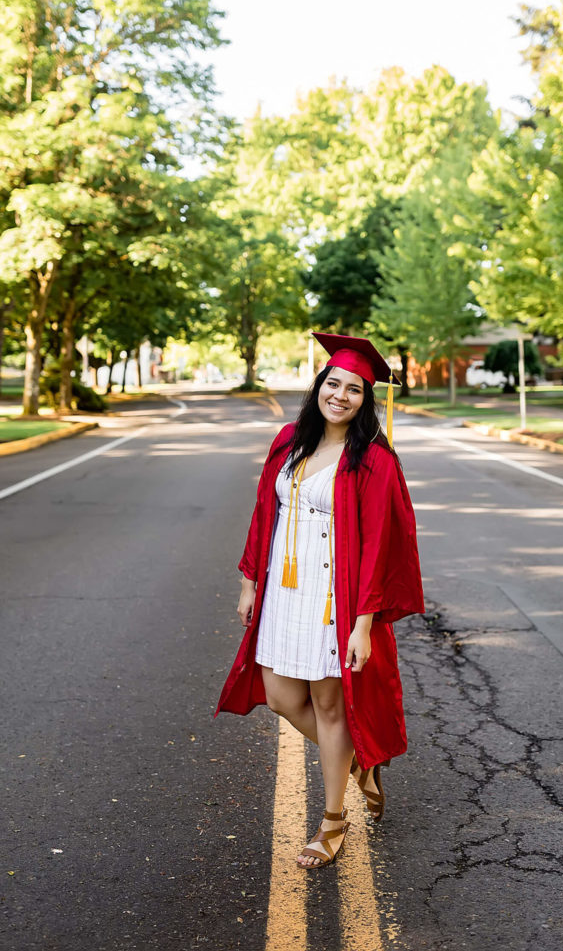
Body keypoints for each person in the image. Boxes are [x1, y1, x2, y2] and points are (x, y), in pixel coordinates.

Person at [215, 332, 424, 869]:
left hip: (336, 597)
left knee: (331, 707)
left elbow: (380, 545)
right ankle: (360, 766)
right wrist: (249, 582)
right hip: (285, 591)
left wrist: (363, 624)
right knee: (282, 695)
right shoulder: (289, 439)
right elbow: (266, 509)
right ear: (319, 387)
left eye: (354, 390)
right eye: (334, 384)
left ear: (365, 400)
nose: (341, 395)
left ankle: (333, 821)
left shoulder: (374, 461)